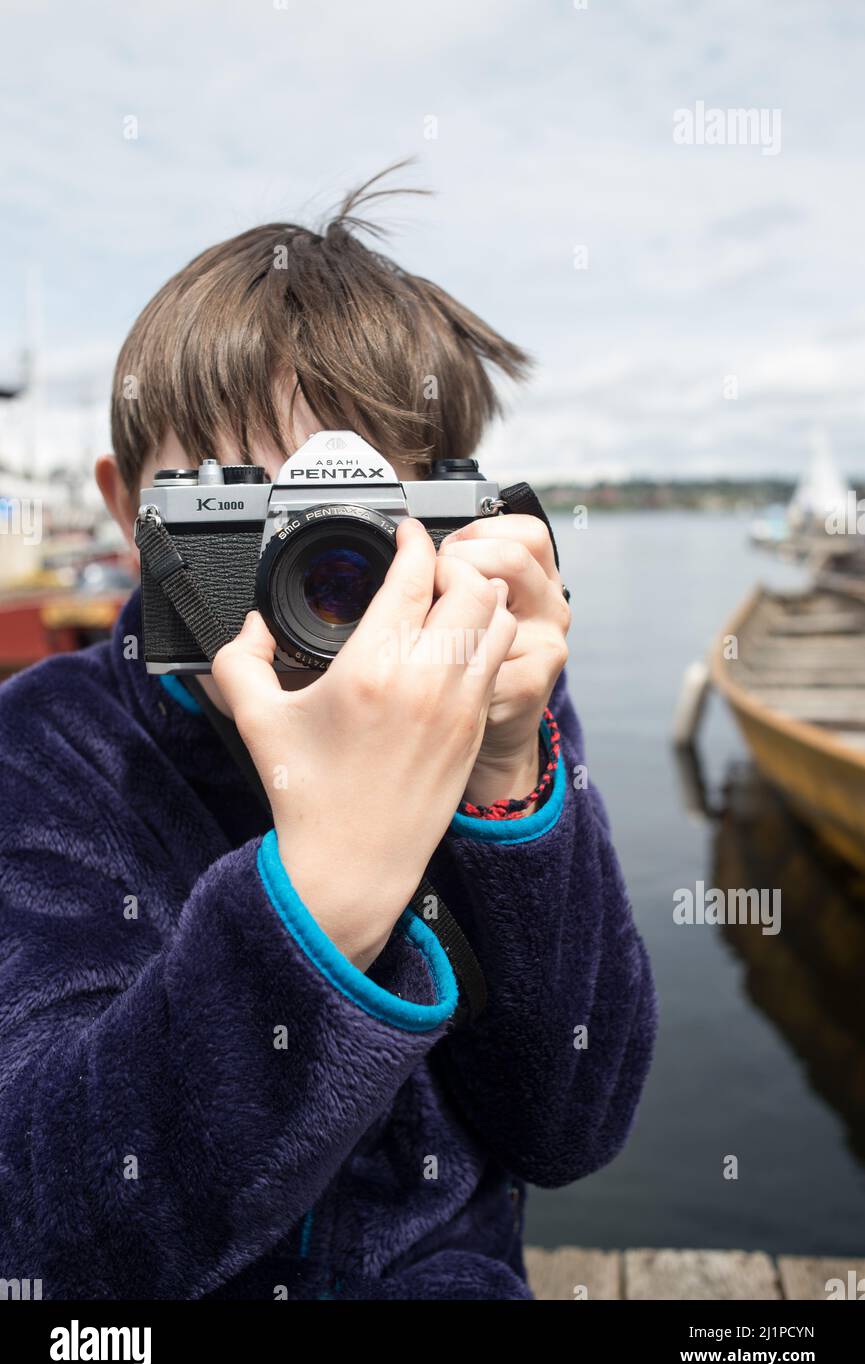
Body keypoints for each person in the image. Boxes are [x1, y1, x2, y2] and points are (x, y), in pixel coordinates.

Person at [0, 168, 657, 1300]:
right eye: (236, 506)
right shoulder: (51, 748)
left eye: (365, 528)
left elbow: (570, 1128)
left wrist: (505, 781)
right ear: (129, 511)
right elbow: (42, 1242)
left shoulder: (491, 711)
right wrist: (322, 893)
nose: (318, 576)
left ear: (461, 520)